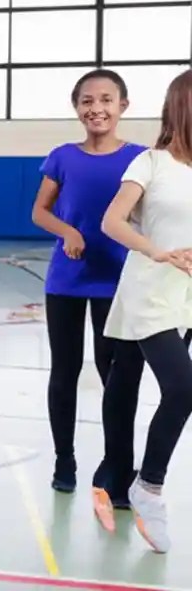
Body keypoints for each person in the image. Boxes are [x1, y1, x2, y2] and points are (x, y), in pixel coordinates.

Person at [30, 69, 145, 497]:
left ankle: (117, 463)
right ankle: (65, 458)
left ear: (123, 107)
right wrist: (68, 232)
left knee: (113, 374)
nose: (96, 108)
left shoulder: (140, 159)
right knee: (64, 371)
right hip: (67, 281)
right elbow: (39, 211)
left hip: (117, 282)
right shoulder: (63, 156)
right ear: (76, 107)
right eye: (87, 100)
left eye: (106, 100)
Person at [97, 69, 192, 554]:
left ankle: (115, 475)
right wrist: (156, 251)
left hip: (185, 297)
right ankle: (147, 486)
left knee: (123, 378)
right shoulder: (150, 164)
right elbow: (112, 221)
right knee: (183, 386)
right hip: (149, 290)